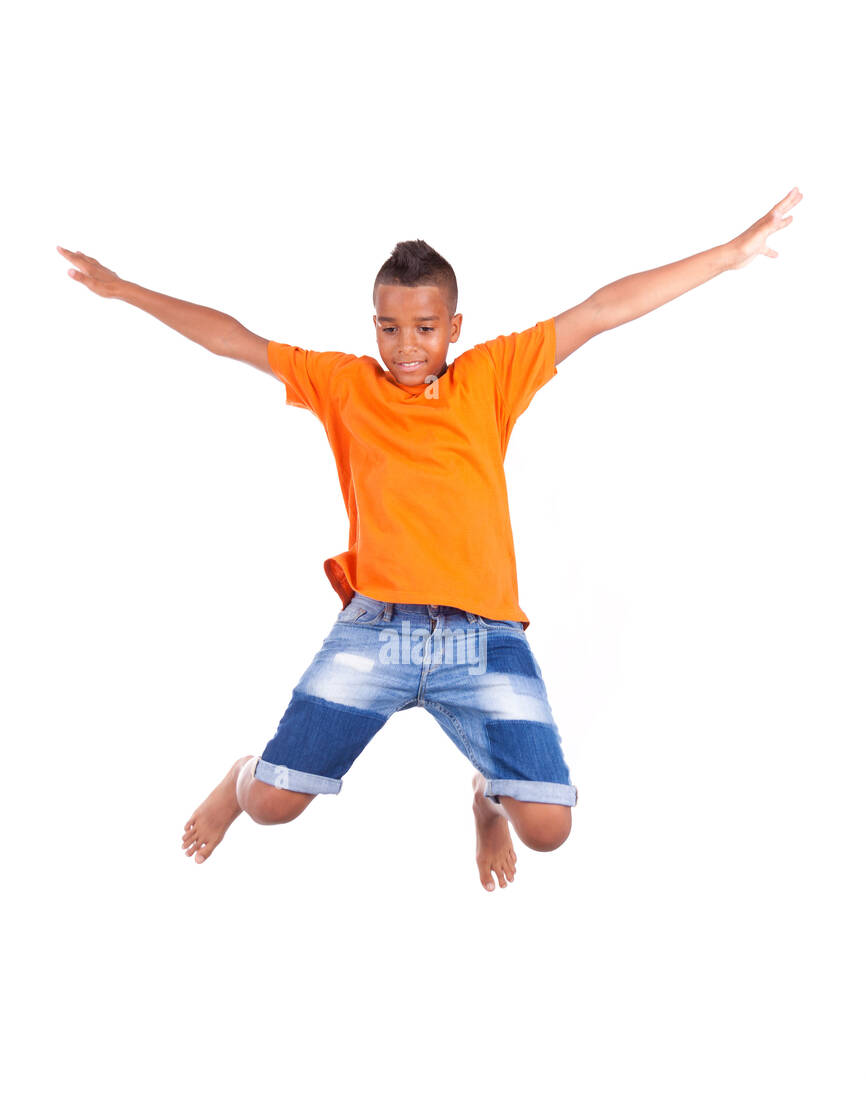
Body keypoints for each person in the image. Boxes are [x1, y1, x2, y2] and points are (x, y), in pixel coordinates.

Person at [58, 188, 801, 891]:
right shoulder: (344, 385)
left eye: (424, 328)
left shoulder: (491, 377)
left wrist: (730, 252)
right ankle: (240, 777)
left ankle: (487, 796)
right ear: (372, 324)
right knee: (274, 807)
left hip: (483, 640)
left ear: (454, 327)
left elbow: (603, 308)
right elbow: (236, 341)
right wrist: (126, 290)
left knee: (549, 828)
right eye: (389, 328)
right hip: (377, 632)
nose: (406, 347)